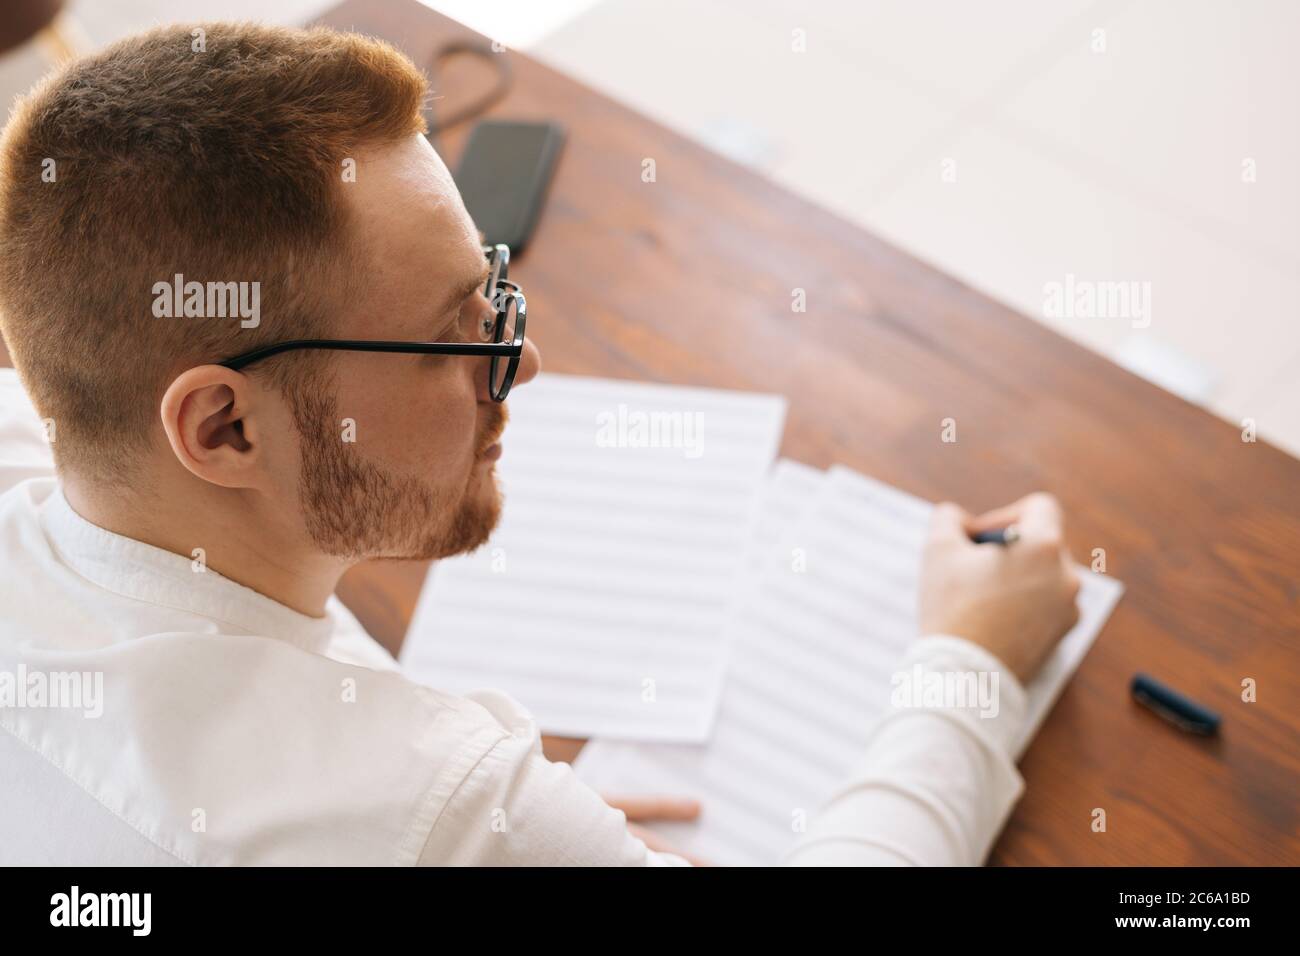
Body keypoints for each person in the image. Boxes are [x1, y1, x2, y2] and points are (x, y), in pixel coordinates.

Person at [0, 23, 1080, 866]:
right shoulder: (430, 809)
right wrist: (968, 663)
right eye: (446, 335)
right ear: (224, 427)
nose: (519, 365)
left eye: (493, 297)